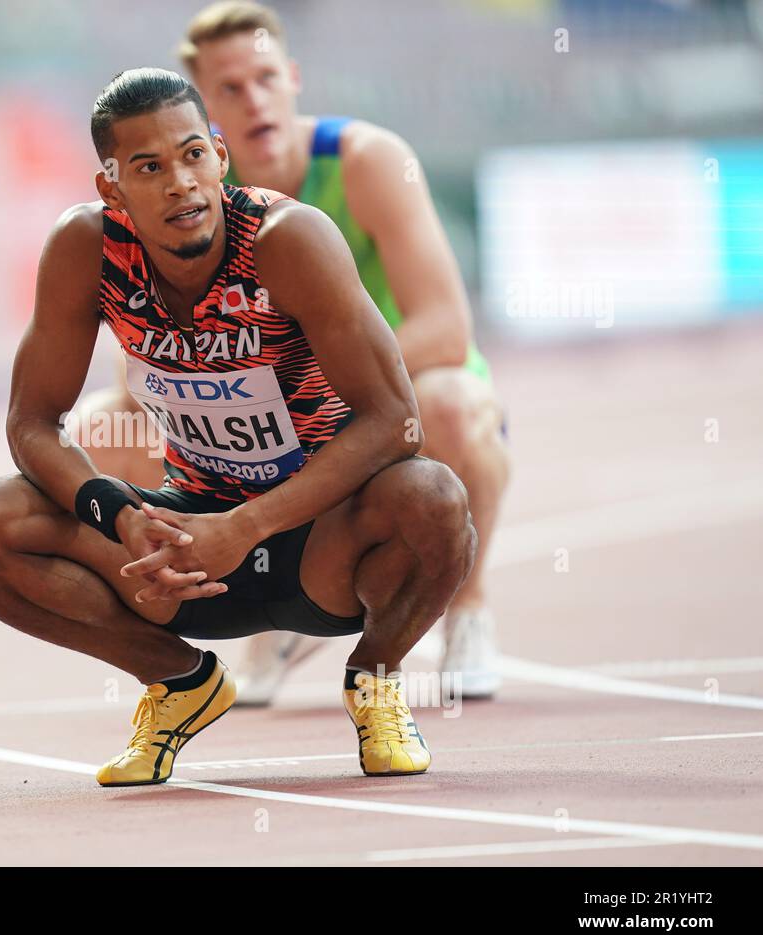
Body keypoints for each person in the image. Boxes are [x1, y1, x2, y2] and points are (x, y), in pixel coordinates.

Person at [0, 68, 475, 786]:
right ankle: (179, 683)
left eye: (191, 155)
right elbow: (32, 421)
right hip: (180, 545)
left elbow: (394, 422)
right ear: (112, 187)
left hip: (325, 539)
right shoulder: (86, 249)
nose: (180, 184)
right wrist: (118, 512)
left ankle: (375, 679)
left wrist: (247, 527)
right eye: (149, 168)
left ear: (220, 157)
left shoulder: (287, 240)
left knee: (434, 497)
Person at [72, 1, 511, 703]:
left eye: (265, 78)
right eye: (230, 88)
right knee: (102, 426)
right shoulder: (184, 189)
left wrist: (312, 387)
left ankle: (467, 608)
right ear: (204, 111)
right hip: (263, 413)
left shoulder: (367, 162)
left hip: (385, 397)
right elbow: (139, 362)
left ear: (293, 77)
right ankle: (248, 611)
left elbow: (446, 327)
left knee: (451, 403)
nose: (255, 100)